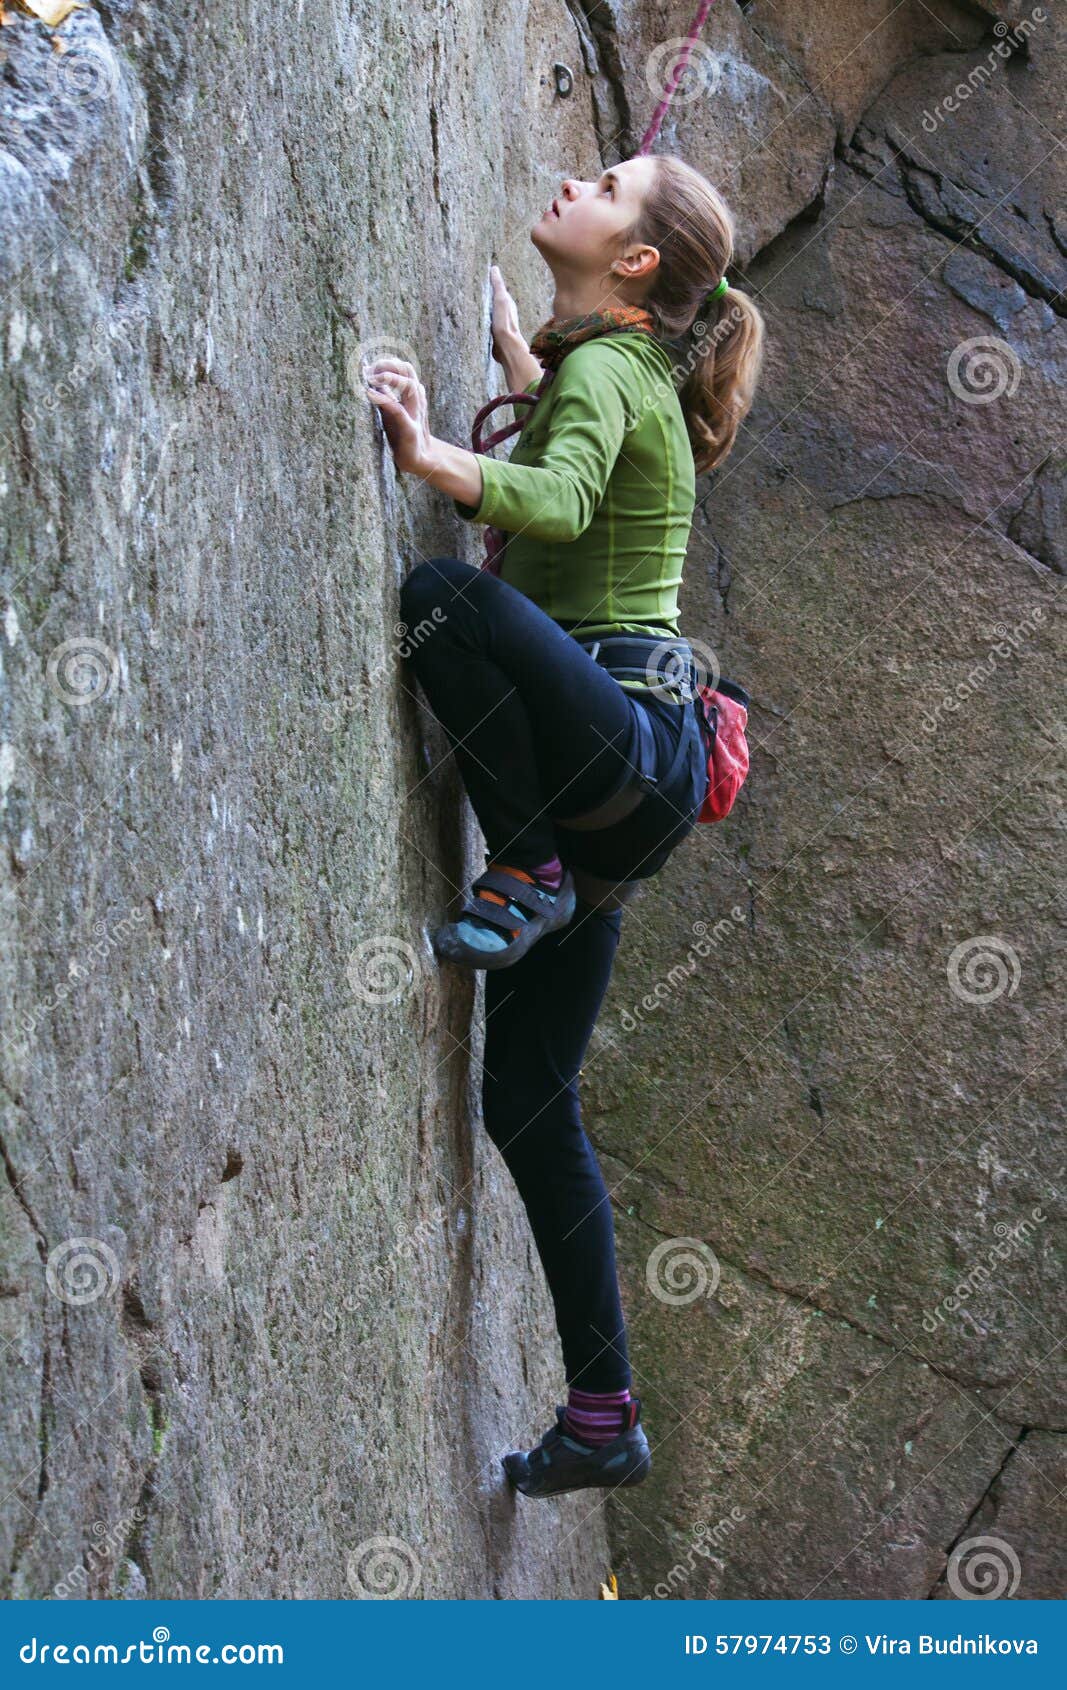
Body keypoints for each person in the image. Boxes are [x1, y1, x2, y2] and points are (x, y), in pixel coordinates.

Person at [365, 151, 765, 1497]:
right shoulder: (617, 372)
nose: (573, 182)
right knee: (531, 1098)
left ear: (637, 260)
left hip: (616, 754)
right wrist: (519, 370)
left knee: (441, 599)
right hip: (628, 791)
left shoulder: (610, 373)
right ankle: (606, 1411)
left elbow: (559, 501)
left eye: (603, 181)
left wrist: (429, 451)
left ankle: (522, 864)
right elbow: (585, 448)